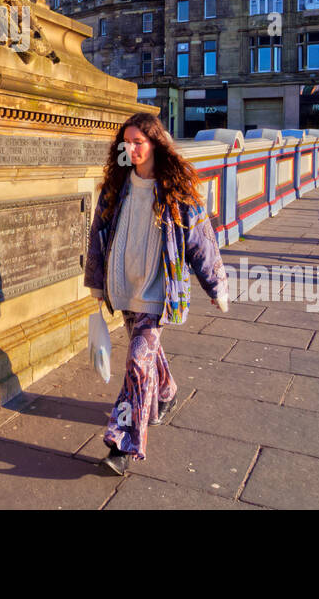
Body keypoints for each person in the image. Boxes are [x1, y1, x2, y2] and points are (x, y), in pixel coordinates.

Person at [83, 113, 228, 476]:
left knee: (135, 363)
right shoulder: (117, 187)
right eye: (126, 143)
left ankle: (121, 443)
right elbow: (98, 238)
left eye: (138, 142)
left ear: (155, 144)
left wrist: (216, 285)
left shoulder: (176, 190)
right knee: (146, 356)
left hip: (156, 293)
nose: (131, 149)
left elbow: (201, 240)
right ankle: (167, 392)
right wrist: (98, 284)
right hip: (123, 289)